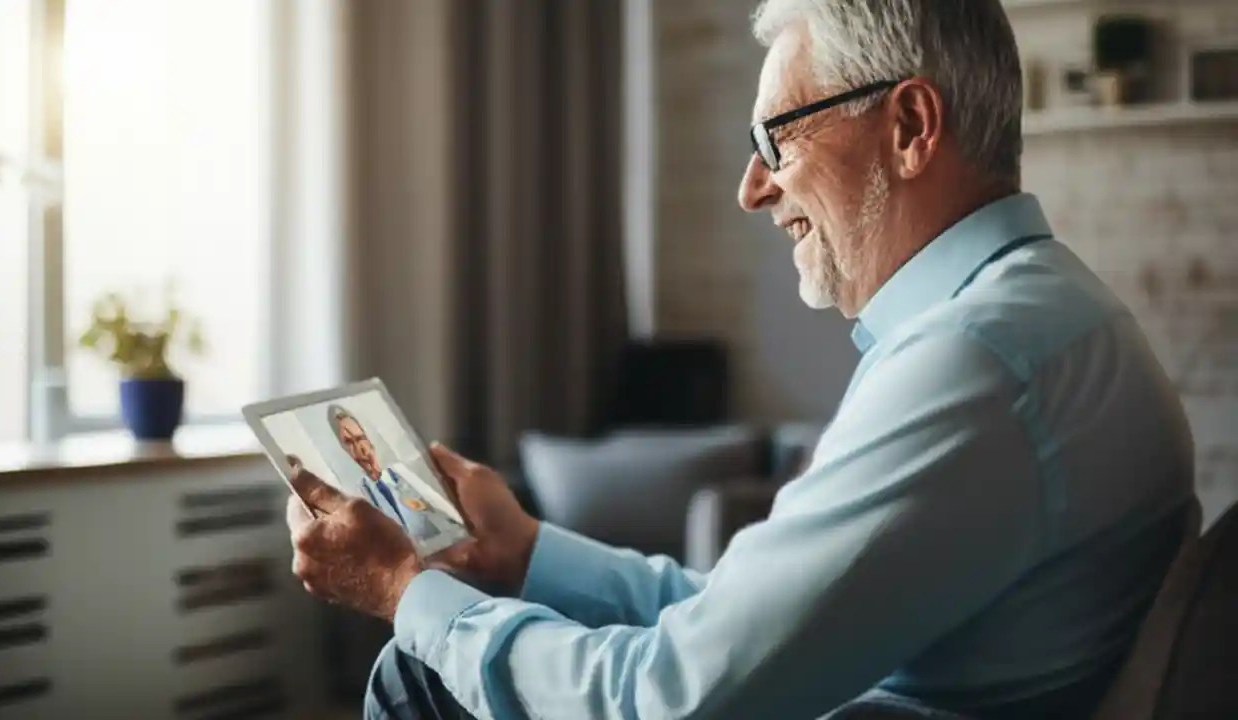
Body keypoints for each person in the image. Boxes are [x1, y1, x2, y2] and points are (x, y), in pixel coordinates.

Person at [285, 1, 1197, 717]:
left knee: (423, 677)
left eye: (776, 138)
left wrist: (409, 594)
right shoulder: (1046, 317)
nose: (751, 187)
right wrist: (524, 553)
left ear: (912, 126)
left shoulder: (975, 363)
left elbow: (670, 699)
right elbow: (742, 620)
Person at [326, 404, 461, 543]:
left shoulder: (403, 473)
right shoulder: (357, 496)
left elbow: (448, 515)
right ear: (343, 448)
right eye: (349, 442)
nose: (360, 448)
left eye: (360, 438)